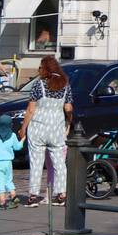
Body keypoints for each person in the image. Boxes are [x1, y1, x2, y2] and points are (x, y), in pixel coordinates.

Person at [19, 56, 73, 207]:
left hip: (38, 127)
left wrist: (23, 127)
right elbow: (68, 108)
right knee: (59, 163)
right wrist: (68, 121)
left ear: (45, 69)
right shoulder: (65, 86)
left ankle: (33, 195)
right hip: (56, 127)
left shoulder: (39, 85)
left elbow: (31, 109)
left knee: (36, 162)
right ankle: (61, 193)